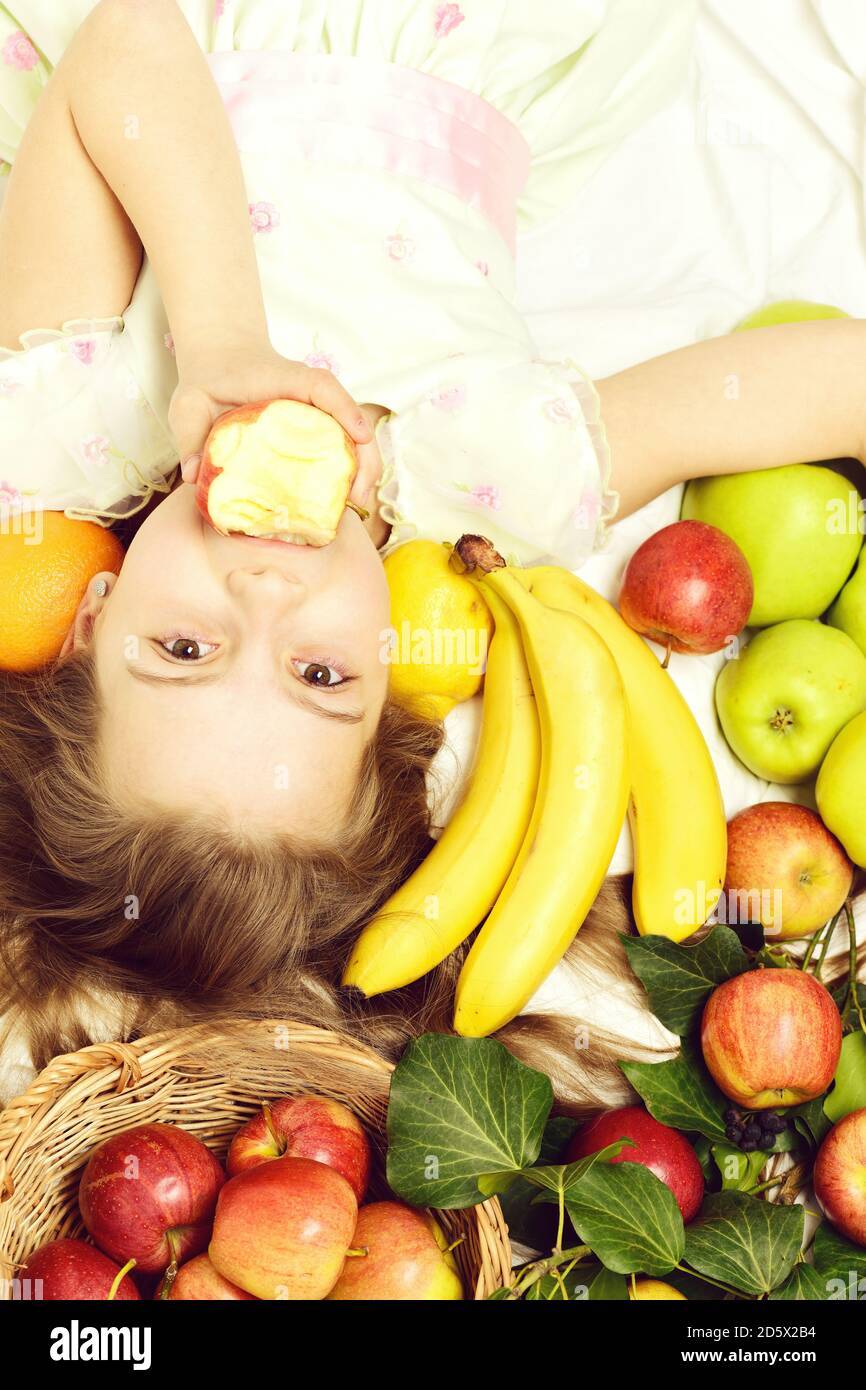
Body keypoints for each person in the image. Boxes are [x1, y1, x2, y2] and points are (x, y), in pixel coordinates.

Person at [0, 0, 862, 1104]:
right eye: (319, 675)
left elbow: (127, 37)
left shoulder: (69, 429)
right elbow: (822, 390)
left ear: (89, 619)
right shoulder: (489, 481)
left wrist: (215, 337)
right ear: (395, 681)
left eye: (180, 646)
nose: (264, 591)